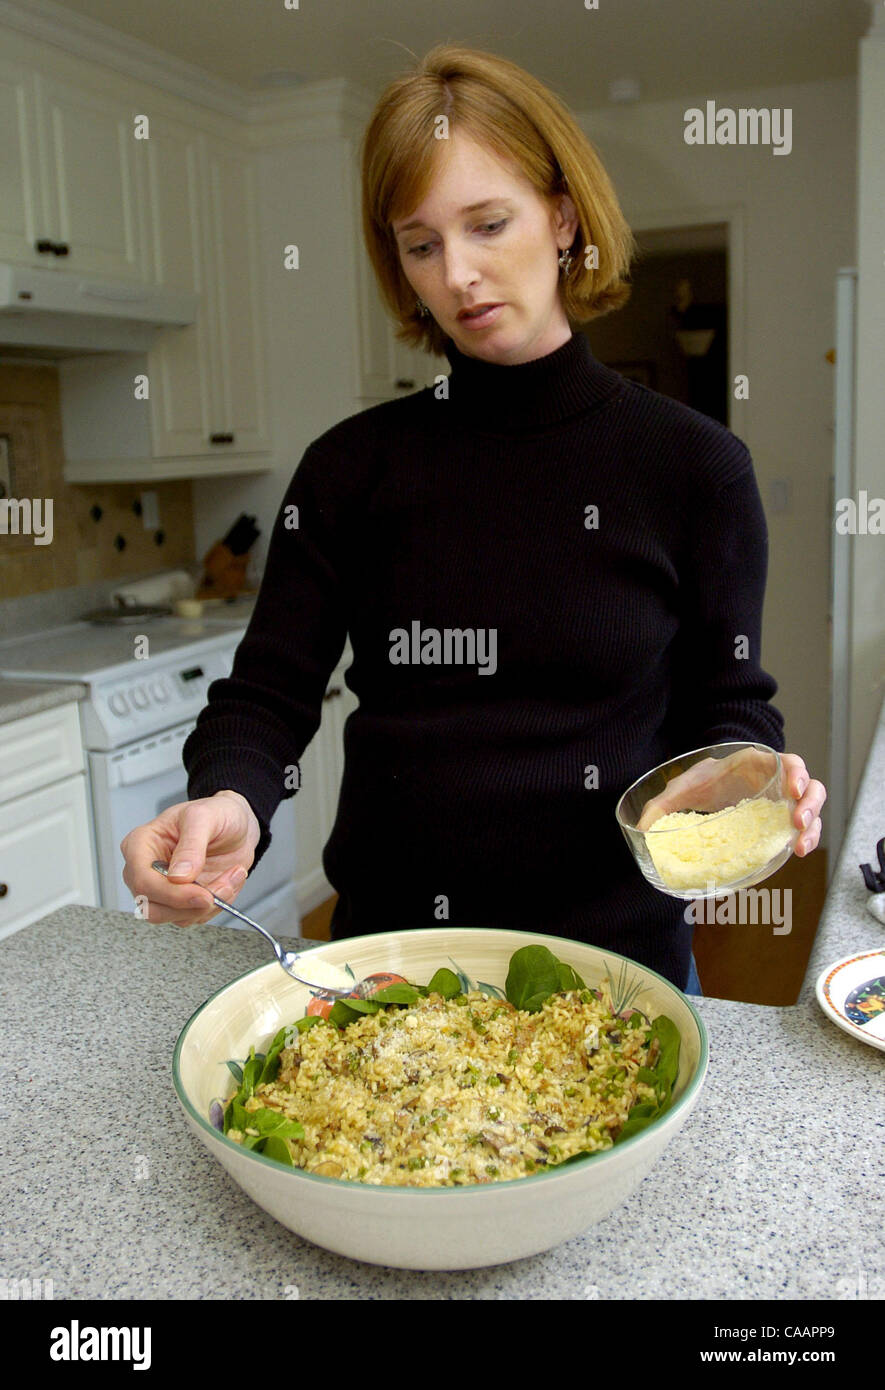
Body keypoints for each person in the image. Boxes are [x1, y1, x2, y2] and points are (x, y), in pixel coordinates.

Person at [120, 44, 826, 994]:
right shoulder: (349, 468)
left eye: (489, 224)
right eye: (420, 244)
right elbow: (267, 693)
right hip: (392, 966)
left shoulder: (694, 466)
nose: (458, 274)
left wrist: (743, 775)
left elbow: (729, 696)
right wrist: (231, 793)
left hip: (612, 971)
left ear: (564, 217)